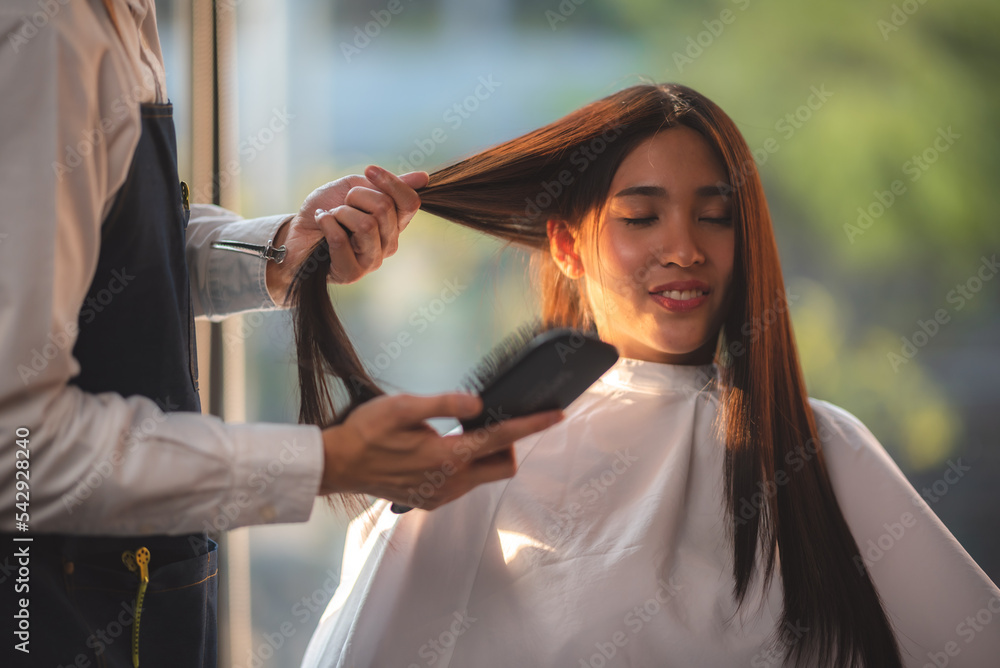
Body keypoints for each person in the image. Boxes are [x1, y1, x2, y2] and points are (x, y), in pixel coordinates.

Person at [295, 84, 1000, 667]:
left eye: (716, 217)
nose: (685, 249)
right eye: (640, 217)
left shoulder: (820, 449)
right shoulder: (477, 466)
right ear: (567, 245)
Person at [0, 1, 560, 666]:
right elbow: (19, 450)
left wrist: (283, 251)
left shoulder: (121, 19)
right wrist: (326, 462)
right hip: (44, 612)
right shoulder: (48, 33)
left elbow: (105, 267)